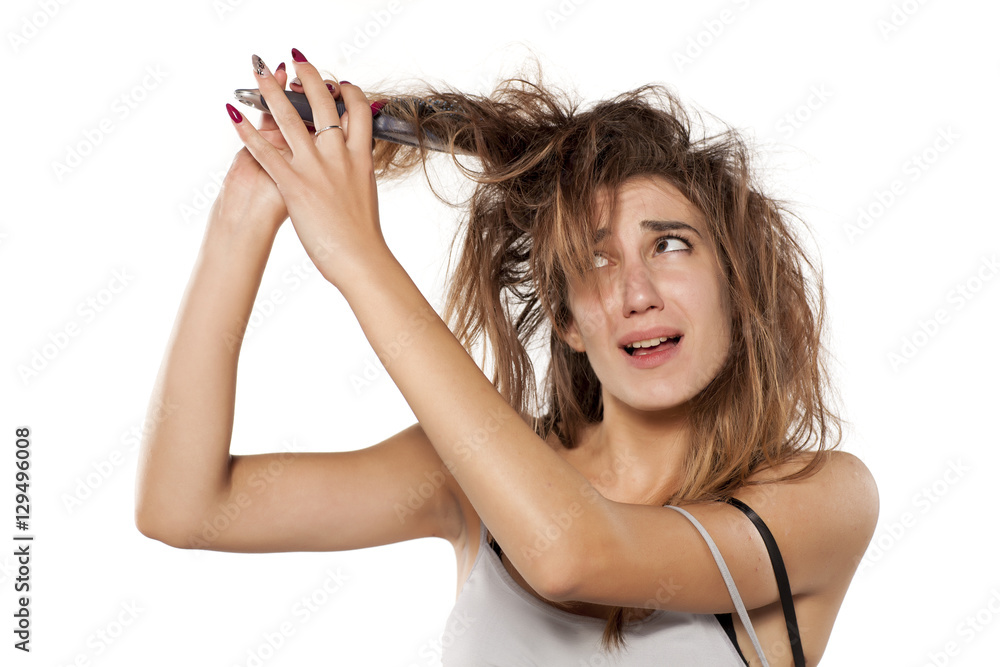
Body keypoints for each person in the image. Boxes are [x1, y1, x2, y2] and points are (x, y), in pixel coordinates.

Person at [135, 48, 879, 666]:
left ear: (734, 284)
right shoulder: (473, 475)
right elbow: (185, 506)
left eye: (670, 244)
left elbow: (571, 551)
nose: (637, 292)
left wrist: (358, 256)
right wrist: (249, 207)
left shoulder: (819, 498)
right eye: (596, 260)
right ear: (567, 320)